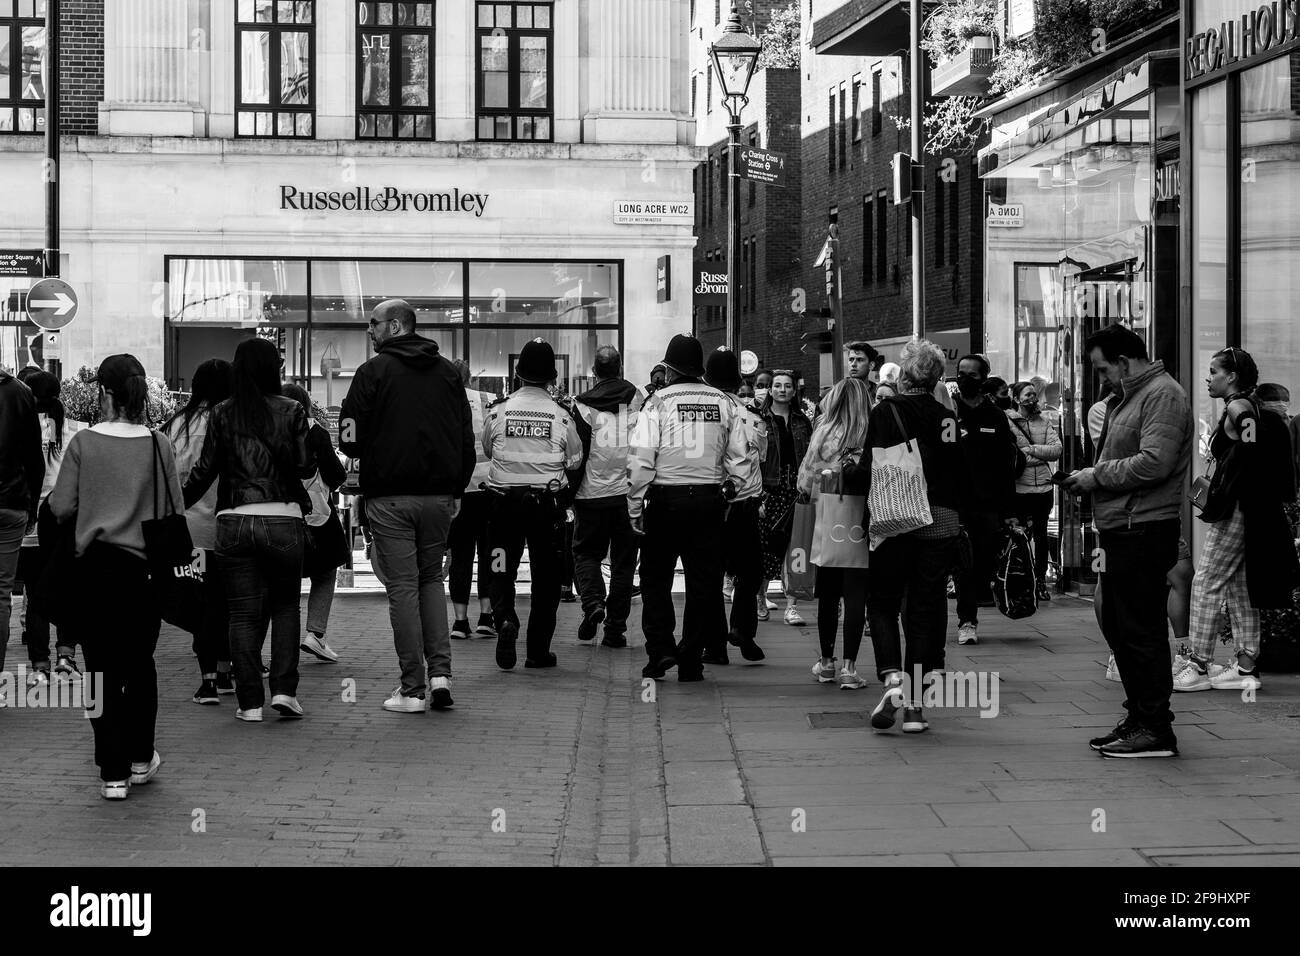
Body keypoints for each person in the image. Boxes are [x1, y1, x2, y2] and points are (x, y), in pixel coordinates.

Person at [49, 354, 179, 798]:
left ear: (104, 392)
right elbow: (174, 510)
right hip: (144, 573)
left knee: (100, 672)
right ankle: (142, 756)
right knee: (140, 665)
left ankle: (113, 772)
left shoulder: (83, 443)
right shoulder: (158, 443)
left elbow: (61, 507)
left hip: (94, 571)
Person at [1063, 324, 1192, 758]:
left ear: (1124, 361)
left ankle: (1156, 728)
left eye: (1103, 370)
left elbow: (1156, 462)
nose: (1101, 379)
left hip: (1145, 527)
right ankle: (1140, 717)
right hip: (1123, 526)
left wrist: (1095, 475)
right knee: (1121, 625)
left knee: (1140, 629)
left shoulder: (1162, 395)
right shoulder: (1129, 397)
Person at [339, 299, 473, 711]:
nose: (369, 331)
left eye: (374, 324)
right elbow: (465, 440)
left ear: (395, 326)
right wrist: (455, 490)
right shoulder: (448, 373)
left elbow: (348, 437)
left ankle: (412, 688)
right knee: (432, 581)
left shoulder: (372, 373)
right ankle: (440, 676)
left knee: (402, 588)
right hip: (438, 498)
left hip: (391, 497)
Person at [185, 339, 314, 723]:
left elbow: (204, 470)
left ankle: (249, 702)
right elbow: (307, 468)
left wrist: (173, 503)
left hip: (235, 520)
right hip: (284, 520)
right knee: (286, 607)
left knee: (242, 613)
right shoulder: (292, 410)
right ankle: (285, 692)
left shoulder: (222, 413)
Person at [1175, 348, 1300, 695]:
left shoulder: (1239, 407)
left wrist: (1236, 477)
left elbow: (1251, 450)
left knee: (1206, 583)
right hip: (1251, 509)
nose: (1208, 377)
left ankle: (1198, 664)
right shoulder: (1247, 407)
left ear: (1231, 377)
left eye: (1214, 371)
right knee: (1239, 586)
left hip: (1238, 510)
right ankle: (1245, 664)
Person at [630, 334, 747, 682]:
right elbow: (741, 459)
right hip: (709, 502)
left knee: (655, 580)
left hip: (665, 502)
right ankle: (692, 659)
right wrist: (729, 491)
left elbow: (640, 458)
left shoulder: (657, 403)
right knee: (703, 585)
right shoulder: (724, 403)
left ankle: (661, 650)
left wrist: (635, 503)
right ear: (701, 369)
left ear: (667, 367)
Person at [866, 340, 963, 734]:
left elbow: (872, 465)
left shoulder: (886, 411)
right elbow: (959, 470)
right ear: (938, 378)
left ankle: (892, 679)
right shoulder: (947, 417)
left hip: (896, 520)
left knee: (884, 600)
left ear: (904, 376)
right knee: (925, 612)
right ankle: (915, 711)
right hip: (940, 522)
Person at [481, 338, 584, 671]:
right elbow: (575, 459)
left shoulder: (497, 410)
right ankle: (538, 652)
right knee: (546, 579)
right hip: (544, 509)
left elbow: (487, 449)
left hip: (502, 507)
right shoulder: (563, 417)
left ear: (517, 373)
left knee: (499, 568)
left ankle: (506, 618)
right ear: (552, 377)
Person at [162, 359, 234, 704]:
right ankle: (224, 671)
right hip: (228, 525)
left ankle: (208, 680)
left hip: (188, 529)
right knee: (225, 603)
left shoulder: (175, 425)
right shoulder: (233, 420)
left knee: (202, 602)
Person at [798, 377, 872, 689]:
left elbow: (804, 480)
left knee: (827, 594)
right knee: (856, 594)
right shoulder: (871, 430)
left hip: (828, 515)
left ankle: (826, 662)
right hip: (863, 517)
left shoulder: (823, 431)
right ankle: (850, 668)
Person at [17, 371, 86, 688]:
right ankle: (66, 658)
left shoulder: (18, 426)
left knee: (35, 593)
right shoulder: (75, 431)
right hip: (62, 519)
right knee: (69, 590)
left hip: (29, 521)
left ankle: (38, 666)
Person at [570, 346, 641, 649]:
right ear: (620, 368)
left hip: (591, 495)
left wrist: (569, 496)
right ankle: (615, 630)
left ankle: (593, 602)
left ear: (594, 372)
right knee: (624, 565)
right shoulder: (639, 399)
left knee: (586, 553)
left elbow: (576, 455)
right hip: (627, 495)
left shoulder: (583, 406)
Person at [704, 348, 766, 664]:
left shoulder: (706, 410)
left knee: (710, 576)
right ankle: (742, 628)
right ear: (738, 378)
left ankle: (714, 645)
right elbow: (761, 459)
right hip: (744, 504)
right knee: (751, 572)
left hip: (712, 502)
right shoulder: (751, 414)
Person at [952, 354, 1018, 646]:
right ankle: (967, 620)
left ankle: (974, 605)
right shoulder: (949, 412)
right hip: (955, 502)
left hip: (988, 503)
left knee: (983, 562)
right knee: (962, 564)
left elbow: (1006, 466)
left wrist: (1010, 511)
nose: (965, 378)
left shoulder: (995, 416)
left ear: (983, 380)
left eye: (972, 374)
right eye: (960, 373)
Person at [282, 384, 348, 665]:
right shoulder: (315, 431)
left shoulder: (268, 428)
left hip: (277, 513)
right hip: (316, 513)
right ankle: (315, 633)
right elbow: (335, 474)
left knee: (283, 580)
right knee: (326, 570)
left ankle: (279, 646)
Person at [0, 362, 44, 702]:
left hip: (14, 503)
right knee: (2, 595)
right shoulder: (20, 393)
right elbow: (34, 457)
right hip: (12, 503)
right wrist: (30, 506)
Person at [756, 369, 813, 626]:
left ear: (793, 391)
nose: (782, 390)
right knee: (768, 548)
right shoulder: (761, 420)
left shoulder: (802, 421)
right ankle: (760, 597)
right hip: (771, 490)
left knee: (796, 547)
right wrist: (757, 496)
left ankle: (792, 606)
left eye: (787, 386)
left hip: (796, 491)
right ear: (770, 390)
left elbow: (810, 455)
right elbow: (755, 458)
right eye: (777, 385)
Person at [446, 359, 497, 642]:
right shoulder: (489, 400)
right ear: (470, 380)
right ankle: (487, 617)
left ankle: (460, 621)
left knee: (461, 556)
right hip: (489, 487)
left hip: (459, 491)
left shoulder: (442, 403)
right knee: (489, 554)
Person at [1008, 380, 1062, 602]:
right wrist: (1039, 454)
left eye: (1034, 394)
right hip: (1020, 489)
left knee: (1041, 536)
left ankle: (1040, 580)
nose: (1032, 399)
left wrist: (1029, 450)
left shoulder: (1044, 421)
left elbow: (1057, 450)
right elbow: (1012, 456)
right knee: (1020, 537)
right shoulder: (1008, 421)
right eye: (1027, 395)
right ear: (1017, 398)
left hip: (1044, 488)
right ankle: (1021, 580)